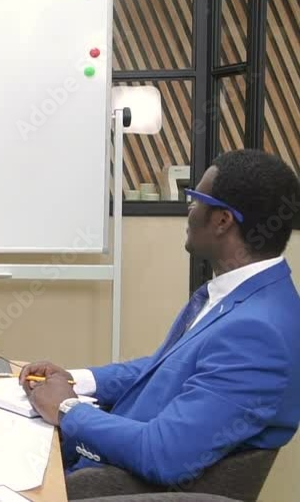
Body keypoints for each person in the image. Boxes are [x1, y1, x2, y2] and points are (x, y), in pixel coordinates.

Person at [21, 149, 300, 487]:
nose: (189, 209)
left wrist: (67, 408)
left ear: (223, 221)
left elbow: (164, 454)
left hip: (107, 486)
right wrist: (79, 380)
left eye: (195, 200)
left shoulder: (259, 334)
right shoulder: (240, 296)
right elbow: (166, 369)